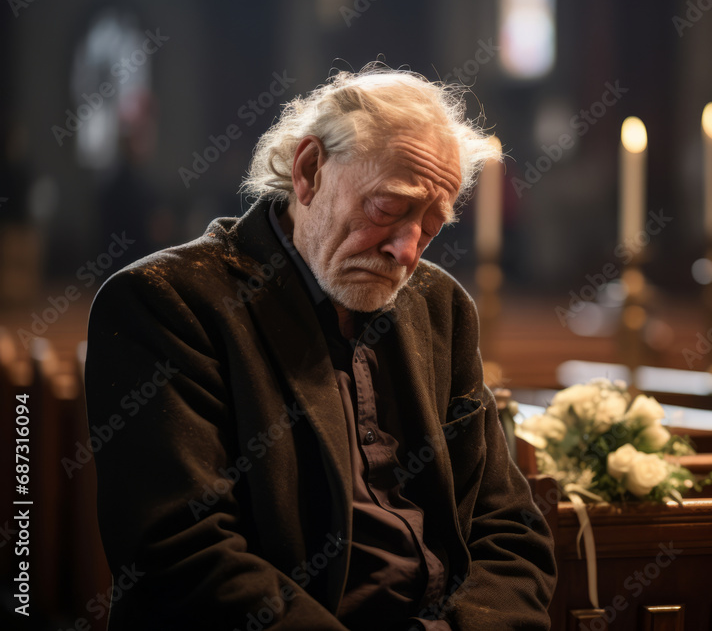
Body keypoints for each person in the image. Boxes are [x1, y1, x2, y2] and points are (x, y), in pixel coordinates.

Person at [84, 66, 557, 630]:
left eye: (429, 227)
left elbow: (510, 530)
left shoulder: (441, 307)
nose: (406, 252)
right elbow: (183, 554)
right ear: (309, 170)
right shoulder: (170, 302)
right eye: (387, 210)